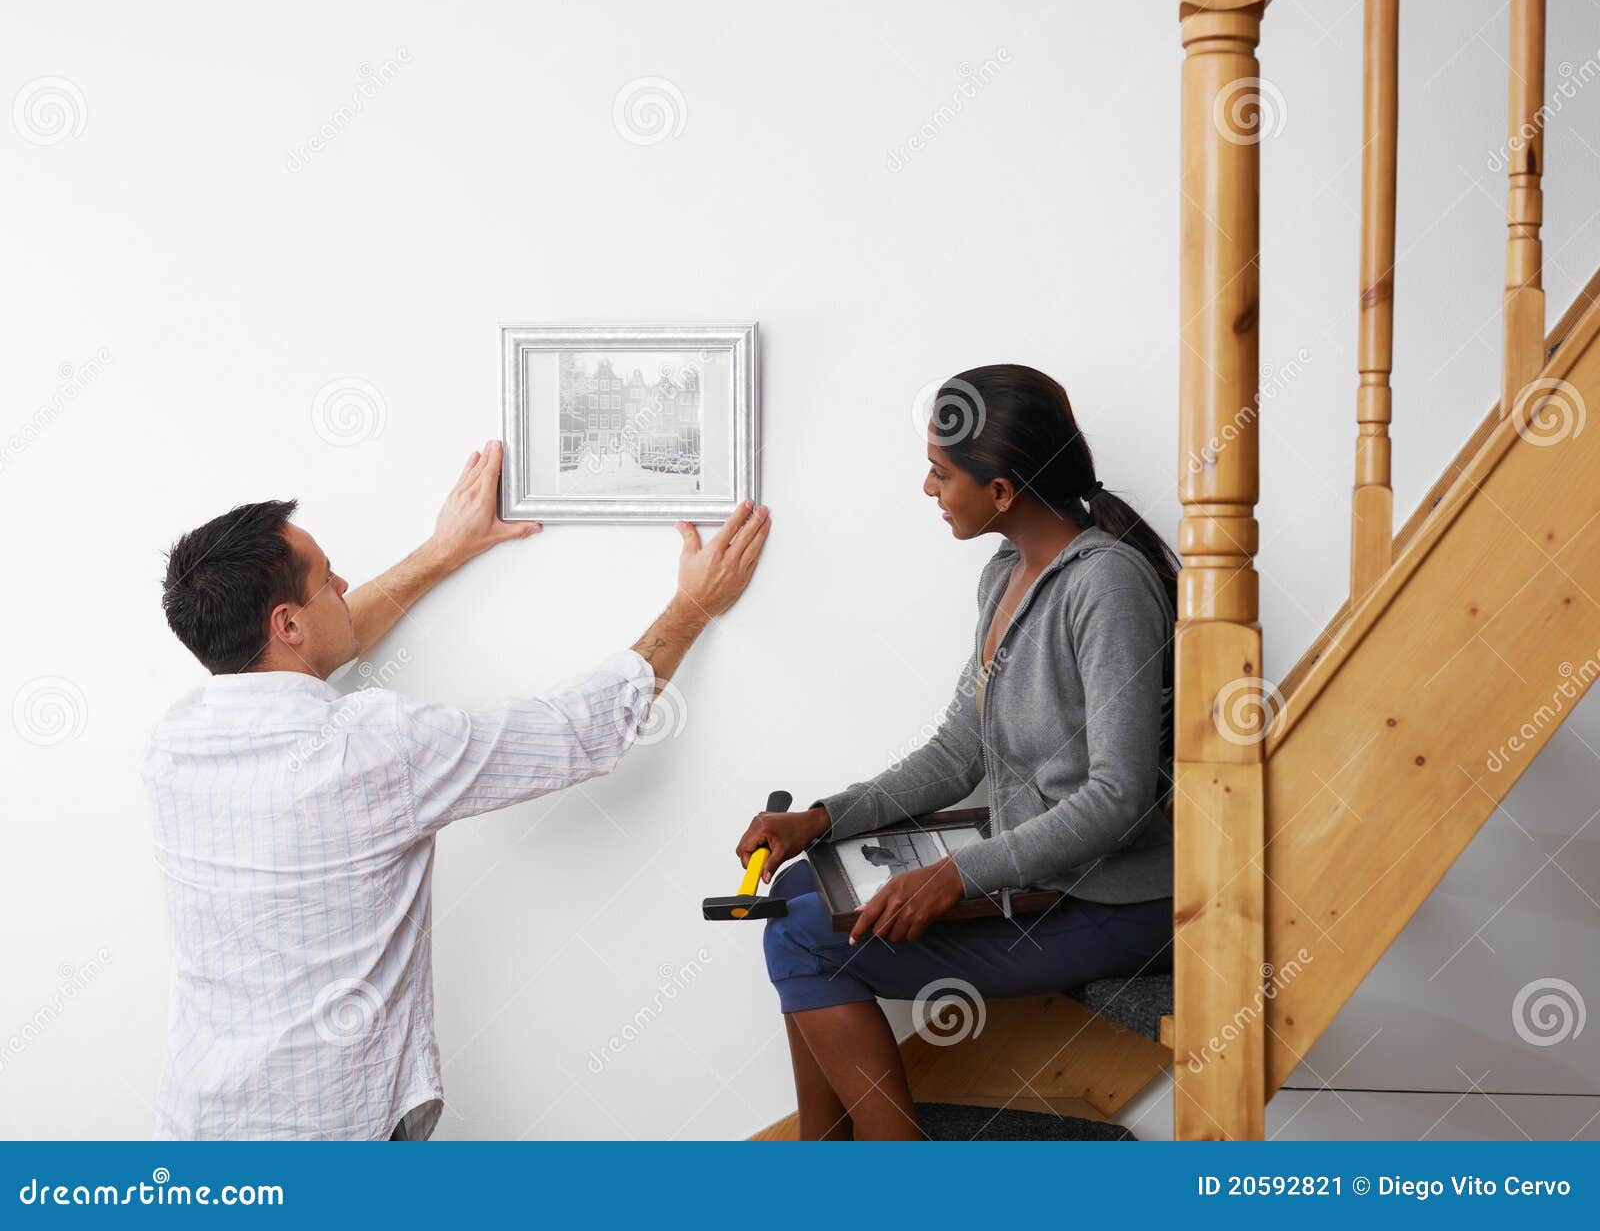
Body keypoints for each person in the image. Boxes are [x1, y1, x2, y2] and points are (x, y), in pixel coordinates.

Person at [144, 440, 769, 1140]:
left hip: (198, 1120)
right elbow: (579, 731)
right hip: (332, 1131)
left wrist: (444, 551)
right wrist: (692, 605)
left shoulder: (171, 745)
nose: (346, 583)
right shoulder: (373, 750)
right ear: (287, 623)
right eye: (327, 579)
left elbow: (298, 664)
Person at [736, 365, 1175, 1140]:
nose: (928, 488)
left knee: (803, 937)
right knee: (802, 886)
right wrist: (823, 816)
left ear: (1001, 490)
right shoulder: (1004, 574)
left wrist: (954, 875)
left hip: (1118, 902)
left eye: (942, 473)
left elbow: (1119, 794)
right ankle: (825, 1159)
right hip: (1047, 884)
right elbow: (955, 749)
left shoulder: (1106, 587)